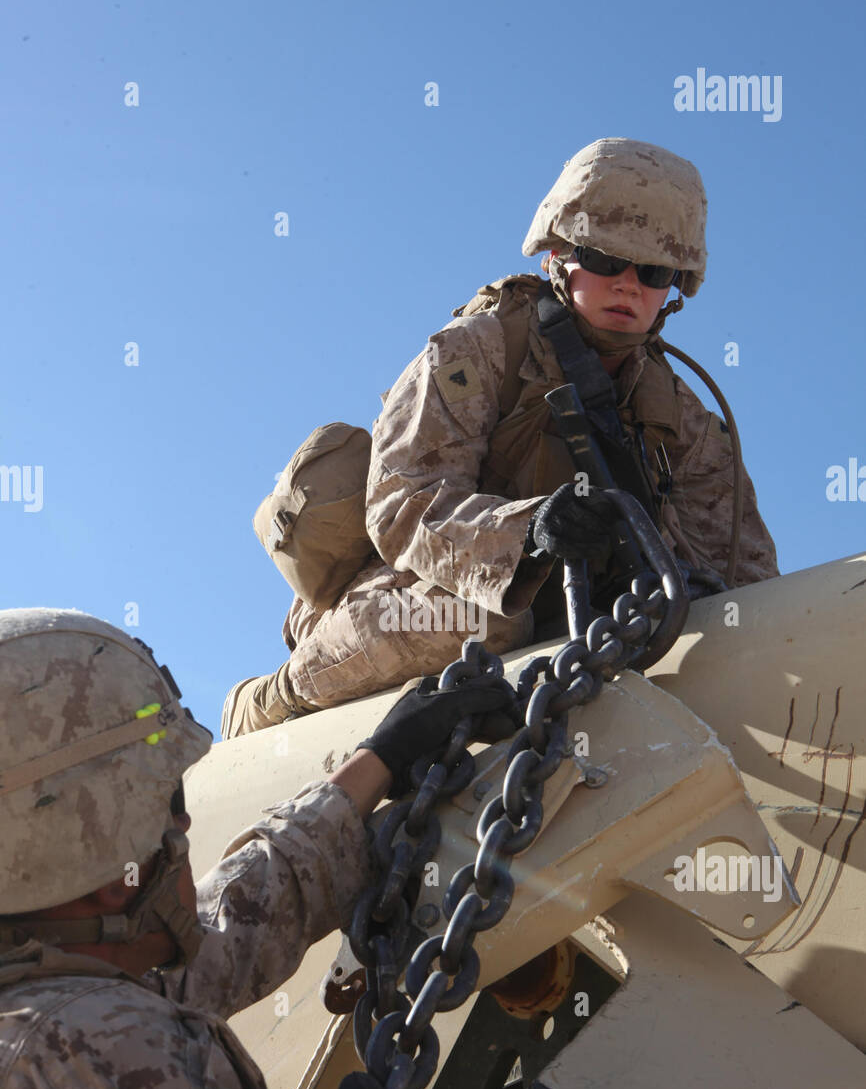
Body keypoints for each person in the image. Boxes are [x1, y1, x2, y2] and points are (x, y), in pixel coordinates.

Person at [0, 607, 513, 1089]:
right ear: (115, 871)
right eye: (170, 806)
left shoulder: (43, 997)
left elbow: (214, 939)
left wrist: (375, 765)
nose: (184, 827)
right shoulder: (101, 1051)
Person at [222, 137, 778, 739]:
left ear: (677, 286)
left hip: (585, 613)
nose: (628, 285)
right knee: (478, 623)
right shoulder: (477, 350)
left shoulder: (683, 416)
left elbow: (743, 571)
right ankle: (273, 698)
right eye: (603, 258)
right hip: (430, 588)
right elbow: (403, 504)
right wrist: (531, 531)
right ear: (557, 255)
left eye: (653, 271)